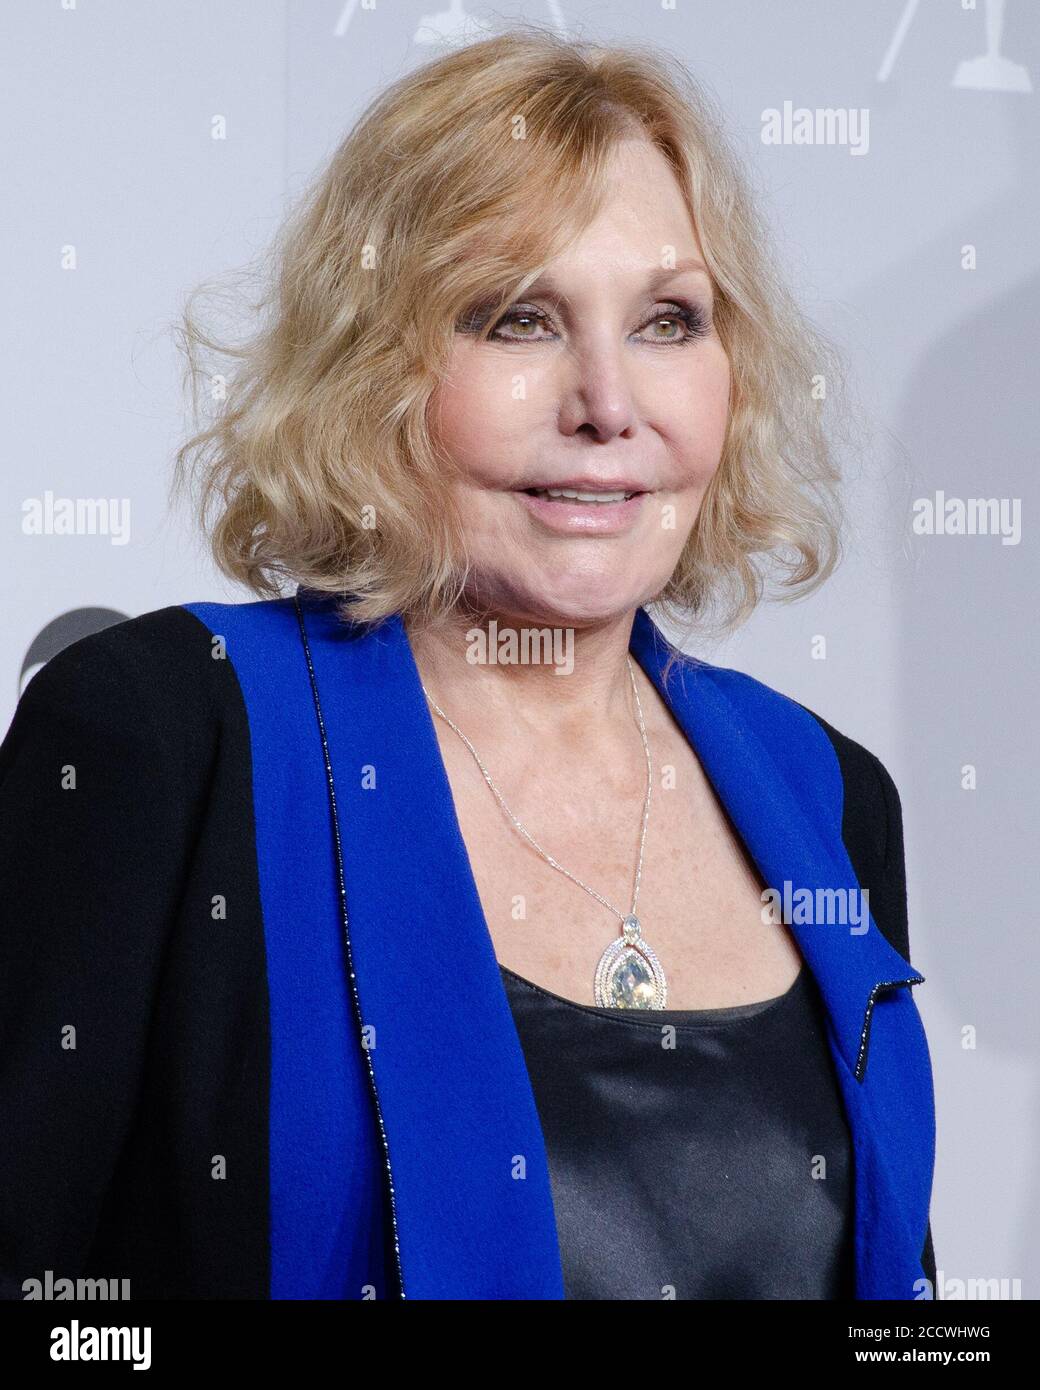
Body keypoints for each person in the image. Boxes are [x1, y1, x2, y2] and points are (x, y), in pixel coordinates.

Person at [0, 26, 935, 1301]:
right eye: (518, 319)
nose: (608, 402)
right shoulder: (160, 737)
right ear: (371, 372)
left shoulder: (826, 794)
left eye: (668, 320)